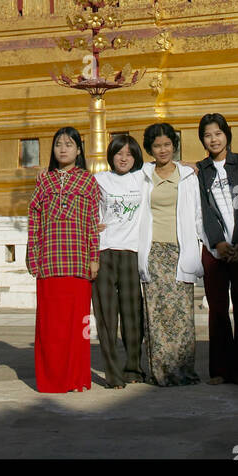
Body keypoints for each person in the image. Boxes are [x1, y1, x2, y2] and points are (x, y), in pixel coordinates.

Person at [27, 126, 101, 393]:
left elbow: (93, 223)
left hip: (78, 264)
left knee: (78, 326)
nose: (63, 149)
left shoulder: (88, 182)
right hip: (49, 264)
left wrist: (94, 258)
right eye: (59, 144)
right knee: (50, 328)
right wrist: (32, 258)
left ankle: (77, 377)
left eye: (69, 144)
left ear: (79, 150)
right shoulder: (44, 181)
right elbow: (33, 221)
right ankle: (51, 380)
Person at [194, 112, 238, 386]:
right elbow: (204, 210)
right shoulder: (202, 171)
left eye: (217, 133)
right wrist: (219, 243)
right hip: (215, 251)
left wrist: (237, 242)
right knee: (219, 309)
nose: (213, 139)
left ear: (227, 135)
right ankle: (221, 370)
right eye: (207, 135)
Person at [138, 121, 202, 386]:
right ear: (150, 148)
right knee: (155, 312)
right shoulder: (141, 174)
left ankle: (184, 370)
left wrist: (202, 246)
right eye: (157, 145)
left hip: (180, 249)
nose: (162, 150)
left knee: (181, 313)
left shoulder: (187, 176)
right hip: (153, 251)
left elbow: (197, 214)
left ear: (174, 146)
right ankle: (161, 371)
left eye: (167, 144)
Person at [92, 133, 149, 388]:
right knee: (106, 317)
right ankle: (113, 373)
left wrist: (194, 166)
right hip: (105, 251)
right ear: (111, 156)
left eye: (128, 154)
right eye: (118, 153)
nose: (123, 158)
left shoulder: (143, 175)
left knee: (132, 315)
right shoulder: (99, 179)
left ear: (136, 157)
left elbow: (174, 165)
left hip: (131, 252)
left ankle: (133, 367)